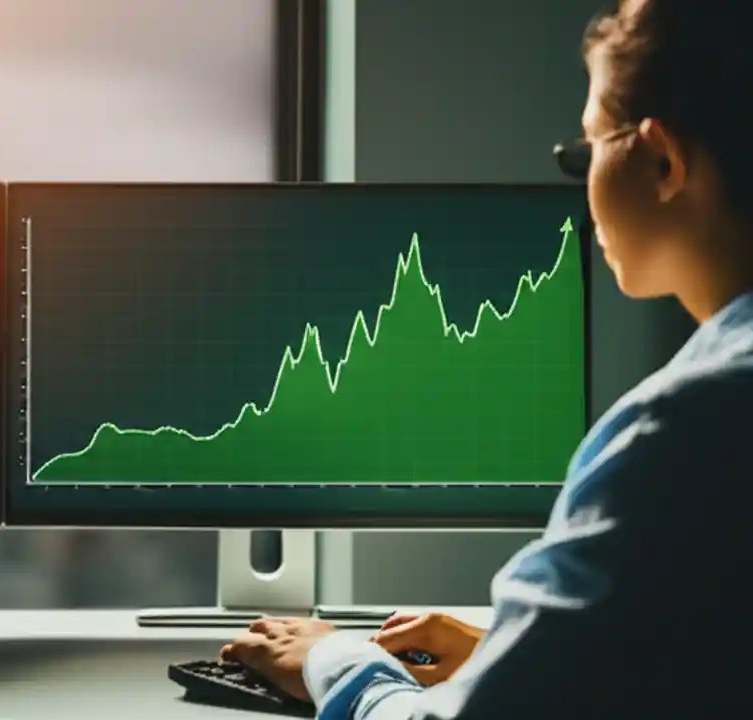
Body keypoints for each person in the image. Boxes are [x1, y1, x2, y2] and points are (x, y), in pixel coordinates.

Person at [221, 0, 753, 717]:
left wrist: (332, 658)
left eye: (588, 148)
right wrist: (517, 648)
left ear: (661, 160)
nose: (584, 179)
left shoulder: (682, 431)